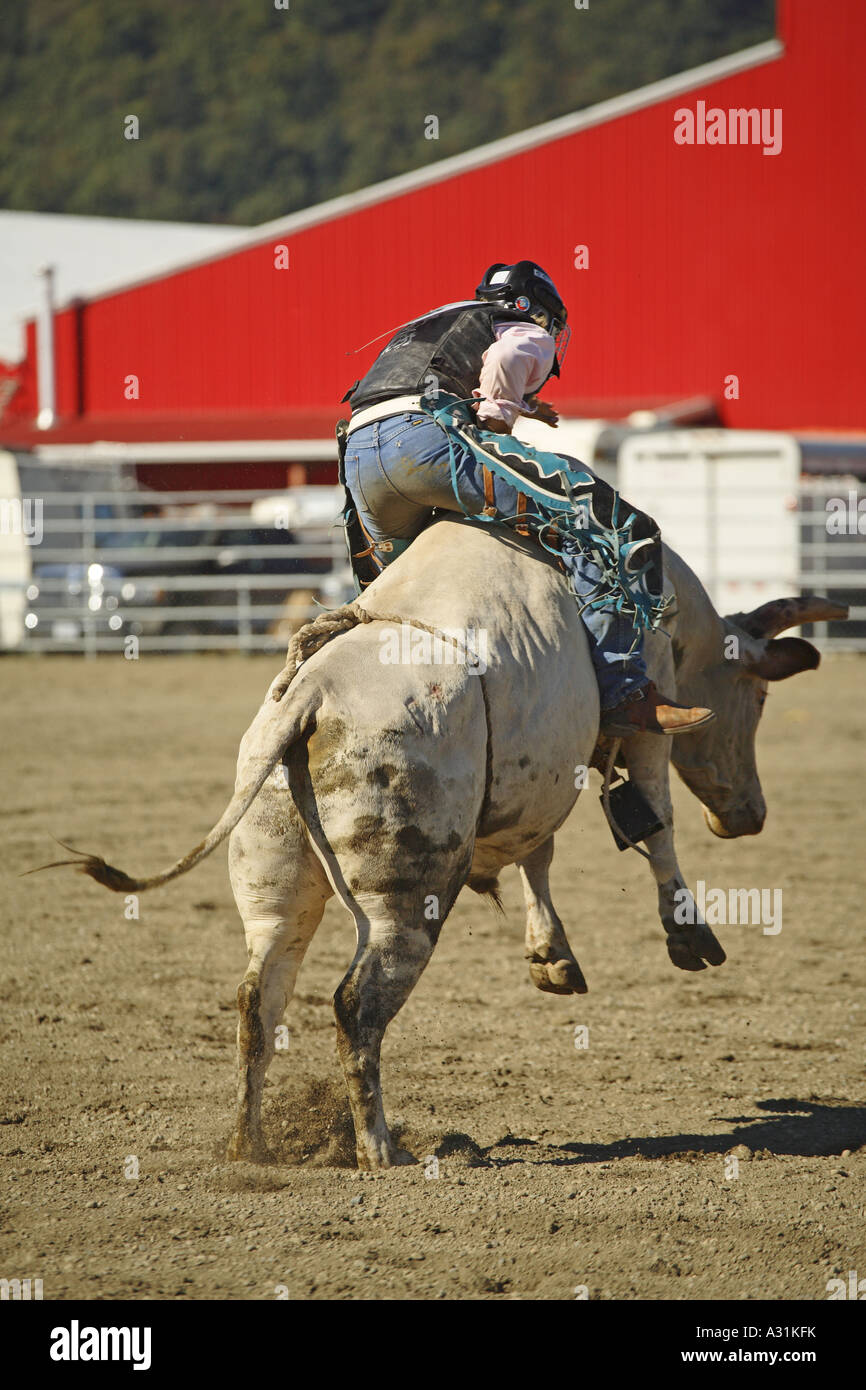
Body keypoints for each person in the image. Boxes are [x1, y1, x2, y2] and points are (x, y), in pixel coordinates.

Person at [339, 260, 713, 737]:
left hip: (360, 459)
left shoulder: (436, 321)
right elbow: (505, 360)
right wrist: (500, 418)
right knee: (595, 522)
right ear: (536, 310)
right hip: (427, 445)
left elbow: (425, 378)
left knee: (390, 590)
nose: (550, 335)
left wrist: (526, 403)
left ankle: (370, 688)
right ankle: (626, 692)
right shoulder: (524, 328)